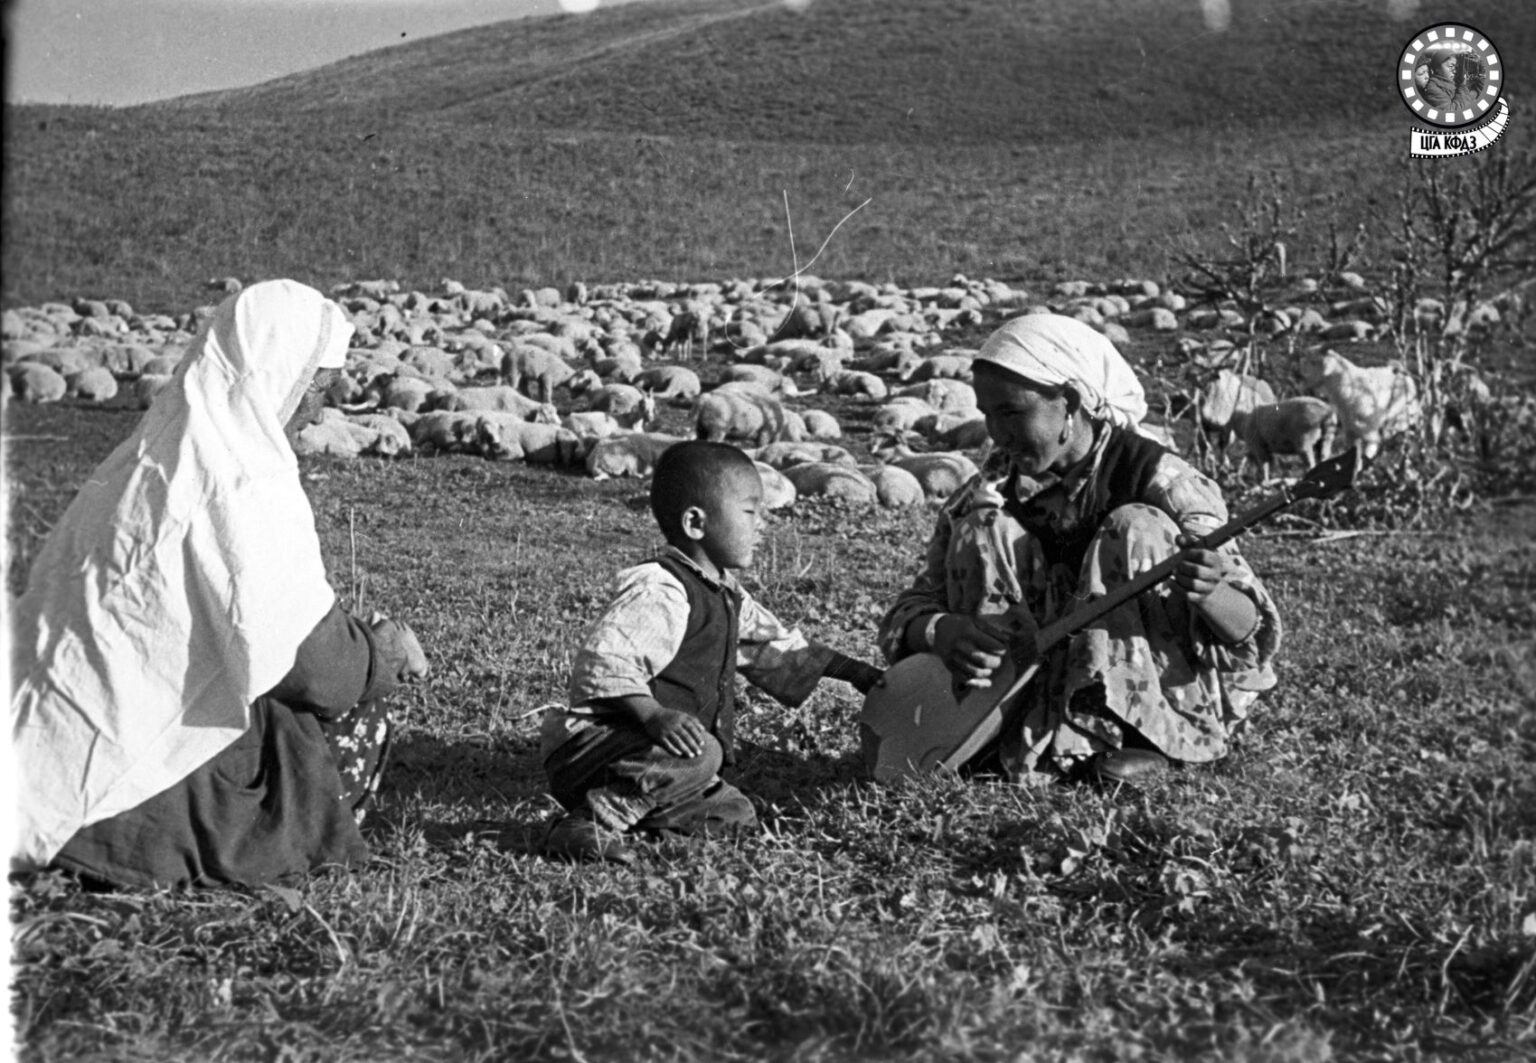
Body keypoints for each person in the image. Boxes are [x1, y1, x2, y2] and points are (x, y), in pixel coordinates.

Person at [9, 279, 429, 889]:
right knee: (349, 714)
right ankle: (228, 846)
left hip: (43, 756)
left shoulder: (144, 460)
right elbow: (320, 674)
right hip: (132, 790)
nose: (315, 411)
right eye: (315, 387)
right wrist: (379, 652)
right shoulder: (242, 483)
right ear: (274, 373)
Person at [876, 314, 1281, 786]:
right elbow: (913, 607)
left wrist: (1210, 592)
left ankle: (1145, 739)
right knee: (982, 527)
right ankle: (1002, 724)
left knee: (1135, 527)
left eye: (1011, 413)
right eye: (987, 414)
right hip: (1028, 687)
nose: (996, 433)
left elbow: (1251, 637)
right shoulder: (988, 490)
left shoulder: (1164, 483)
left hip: (1166, 695)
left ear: (1068, 401)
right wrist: (942, 630)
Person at [540, 441, 883, 862]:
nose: (762, 525)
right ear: (696, 523)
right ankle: (592, 820)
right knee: (703, 753)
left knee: (735, 814)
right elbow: (606, 661)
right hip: (599, 748)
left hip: (661, 760)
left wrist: (853, 672)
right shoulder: (661, 587)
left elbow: (770, 644)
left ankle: (635, 839)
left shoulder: (724, 593)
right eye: (751, 512)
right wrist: (653, 714)